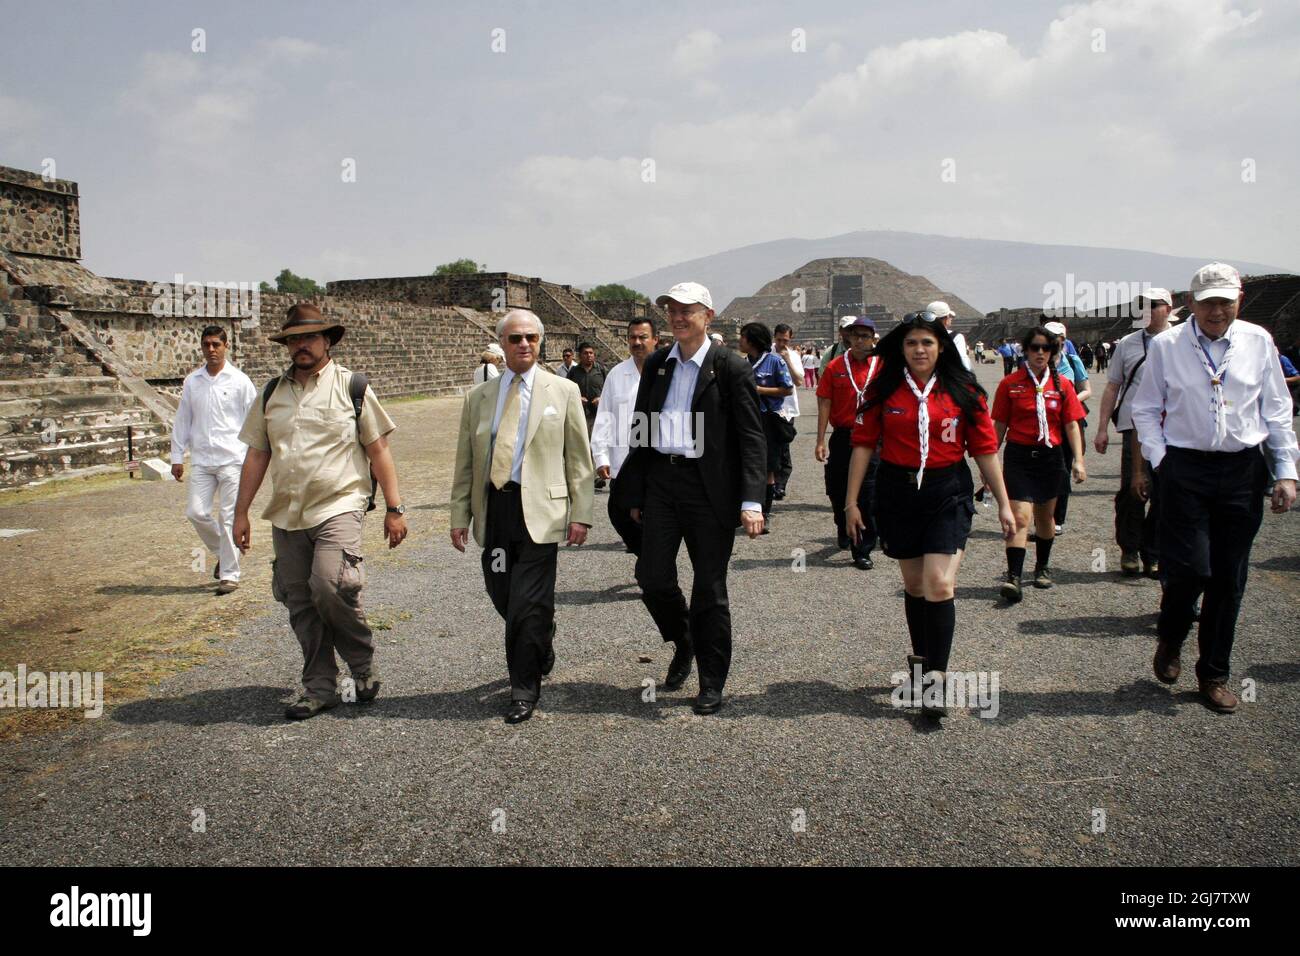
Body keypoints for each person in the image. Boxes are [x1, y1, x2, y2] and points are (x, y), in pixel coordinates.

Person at [1130, 262, 1298, 714]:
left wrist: (1285, 471)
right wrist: (1161, 459)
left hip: (1242, 470)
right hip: (1185, 467)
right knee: (1190, 569)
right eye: (1208, 302)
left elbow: (1277, 409)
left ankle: (1215, 673)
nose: (1217, 311)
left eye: (1225, 301)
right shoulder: (1167, 345)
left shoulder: (1258, 341)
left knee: (1229, 575)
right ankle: (1171, 636)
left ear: (1239, 300)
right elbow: (1145, 408)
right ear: (1191, 304)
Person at [233, 304, 408, 720]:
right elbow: (257, 455)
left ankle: (361, 663)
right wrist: (240, 513)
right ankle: (319, 687)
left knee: (330, 585)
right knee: (301, 602)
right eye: (294, 339)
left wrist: (394, 508)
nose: (301, 346)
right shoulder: (271, 392)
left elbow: (378, 450)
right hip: (287, 513)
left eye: (309, 338)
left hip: (339, 504)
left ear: (327, 340)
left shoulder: (353, 387)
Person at [845, 311, 1016, 718]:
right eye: (911, 343)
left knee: (939, 584)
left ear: (941, 347)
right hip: (898, 493)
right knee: (916, 585)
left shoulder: (964, 391)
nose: (919, 350)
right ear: (901, 349)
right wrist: (852, 502)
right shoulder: (884, 389)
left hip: (947, 492)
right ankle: (921, 664)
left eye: (927, 342)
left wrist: (1005, 502)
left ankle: (936, 681)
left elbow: (985, 449)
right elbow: (864, 446)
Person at [613, 281, 766, 715]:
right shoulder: (659, 362)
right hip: (663, 481)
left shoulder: (729, 366)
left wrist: (752, 500)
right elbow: (641, 425)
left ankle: (711, 681)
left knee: (709, 589)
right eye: (672, 311)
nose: (679, 317)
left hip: (708, 488)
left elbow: (752, 438)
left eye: (688, 310)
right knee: (652, 575)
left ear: (708, 316)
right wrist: (637, 488)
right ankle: (684, 640)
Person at [449, 308, 594, 724]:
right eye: (515, 339)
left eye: (531, 337)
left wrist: (580, 513)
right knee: (503, 592)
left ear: (541, 341)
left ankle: (523, 688)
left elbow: (578, 460)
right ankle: (541, 636)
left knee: (527, 600)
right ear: (503, 345)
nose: (524, 344)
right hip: (496, 512)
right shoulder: (478, 398)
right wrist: (459, 514)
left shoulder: (561, 391)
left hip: (541, 513)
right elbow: (466, 462)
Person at [991, 326, 1087, 601]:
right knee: (1020, 516)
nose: (1040, 353)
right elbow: (999, 424)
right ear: (1026, 350)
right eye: (1035, 347)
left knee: (1045, 517)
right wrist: (990, 462)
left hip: (1051, 456)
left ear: (1054, 352)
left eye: (1046, 348)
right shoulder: (1010, 384)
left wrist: (1078, 460)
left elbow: (1071, 425)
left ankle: (1042, 567)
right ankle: (1014, 577)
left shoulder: (1062, 385)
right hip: (1020, 456)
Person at [1094, 289, 1176, 576]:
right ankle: (1129, 547)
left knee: (1166, 493)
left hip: (1174, 429)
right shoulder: (1128, 344)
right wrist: (1102, 428)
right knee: (1134, 489)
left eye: (1154, 306)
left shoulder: (1182, 341)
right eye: (1141, 306)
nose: (1147, 310)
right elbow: (1113, 386)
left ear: (1170, 306)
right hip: (1135, 428)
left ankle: (1152, 551)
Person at [170, 325, 257, 594]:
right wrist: (176, 456)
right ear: (201, 347)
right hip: (202, 460)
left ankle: (230, 575)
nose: (211, 349)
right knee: (195, 512)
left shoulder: (240, 381)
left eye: (216, 344)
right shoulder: (193, 381)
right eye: (206, 344)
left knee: (228, 516)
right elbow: (183, 420)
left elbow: (254, 421)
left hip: (233, 458)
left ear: (226, 346)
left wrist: (254, 456)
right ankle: (224, 551)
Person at [814, 315, 881, 569]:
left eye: (866, 336)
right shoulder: (835, 366)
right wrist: (820, 439)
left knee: (867, 491)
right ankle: (843, 525)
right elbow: (824, 402)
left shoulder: (883, 365)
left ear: (874, 339)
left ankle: (862, 547)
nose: (860, 340)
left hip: (873, 437)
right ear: (848, 337)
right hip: (843, 435)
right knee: (837, 487)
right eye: (856, 335)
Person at [591, 316, 659, 555]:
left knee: (655, 520)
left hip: (656, 463)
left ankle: (651, 566)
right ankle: (644, 555)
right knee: (619, 514)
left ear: (655, 340)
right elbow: (604, 417)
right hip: (623, 461)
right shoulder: (617, 375)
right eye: (633, 337)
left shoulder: (666, 373)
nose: (637, 342)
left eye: (643, 337)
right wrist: (601, 457)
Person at [739, 322, 794, 531]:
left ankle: (766, 512)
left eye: (743, 337)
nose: (740, 341)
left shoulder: (774, 362)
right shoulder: (741, 363)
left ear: (752, 340)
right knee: (746, 465)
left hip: (767, 420)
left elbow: (787, 389)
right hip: (746, 419)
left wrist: (760, 389)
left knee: (768, 468)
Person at [1042, 320, 1090, 536]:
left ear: (1063, 341)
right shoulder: (1035, 361)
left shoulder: (1072, 360)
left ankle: (1057, 518)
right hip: (1043, 421)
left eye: (1056, 340)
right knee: (1041, 469)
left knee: (1062, 469)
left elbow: (1087, 390)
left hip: (1068, 421)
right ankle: (1042, 518)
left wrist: (1069, 401)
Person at [567, 342, 607, 487]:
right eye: (585, 353)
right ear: (579, 355)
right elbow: (567, 390)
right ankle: (590, 475)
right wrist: (577, 398)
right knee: (585, 444)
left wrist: (601, 398)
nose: (589, 355)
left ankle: (599, 473)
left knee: (597, 443)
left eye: (591, 353)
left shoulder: (601, 369)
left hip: (598, 413)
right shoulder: (573, 372)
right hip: (581, 414)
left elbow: (609, 389)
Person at [771, 323, 804, 500]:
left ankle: (780, 484)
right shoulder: (766, 354)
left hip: (787, 409)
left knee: (783, 446)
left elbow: (798, 381)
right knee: (770, 446)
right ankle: (772, 482)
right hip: (768, 407)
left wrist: (788, 360)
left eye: (786, 340)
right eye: (779, 340)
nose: (782, 343)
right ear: (773, 337)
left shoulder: (793, 356)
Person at [927, 301, 971, 371]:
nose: (951, 319)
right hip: (948, 377)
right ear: (946, 319)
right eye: (951, 316)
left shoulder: (919, 336)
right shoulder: (956, 337)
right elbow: (962, 361)